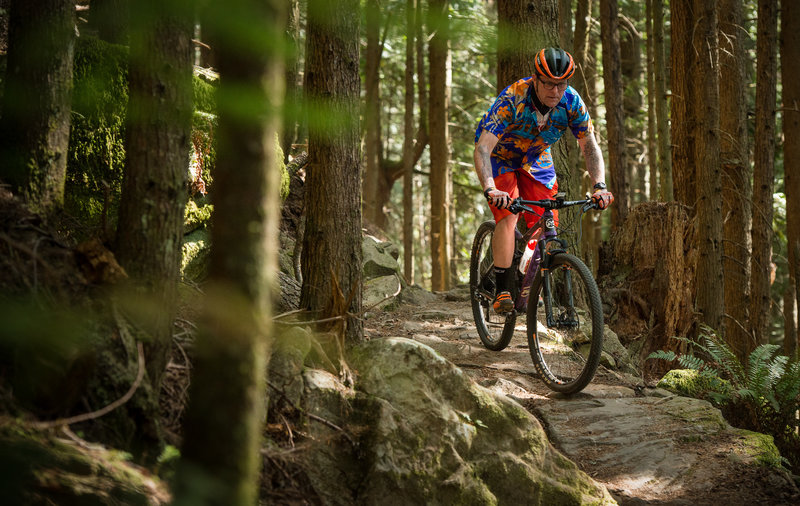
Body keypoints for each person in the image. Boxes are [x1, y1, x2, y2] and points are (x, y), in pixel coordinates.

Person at [473, 47, 614, 314]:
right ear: (536, 79)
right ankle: (502, 289)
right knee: (508, 214)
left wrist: (600, 185)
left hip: (536, 158)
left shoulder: (572, 102)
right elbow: (482, 148)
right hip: (499, 155)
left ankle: (528, 279)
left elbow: (589, 145)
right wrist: (491, 188)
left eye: (561, 85)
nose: (555, 91)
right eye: (549, 83)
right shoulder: (513, 98)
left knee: (546, 218)